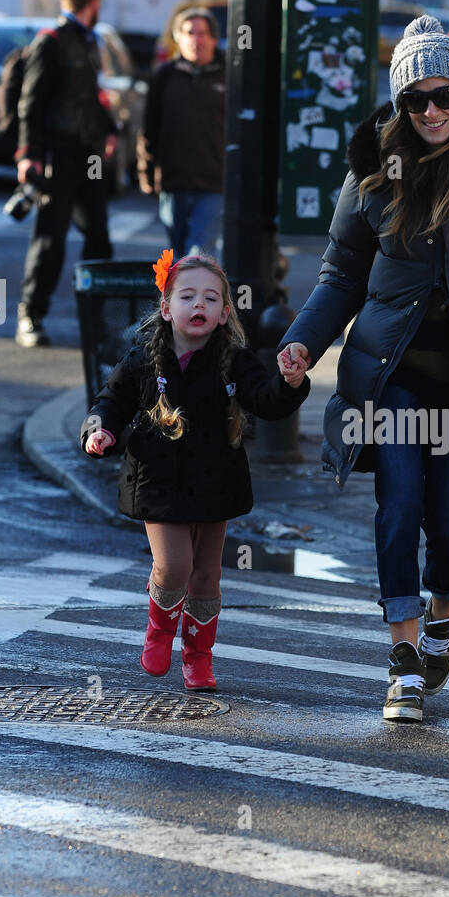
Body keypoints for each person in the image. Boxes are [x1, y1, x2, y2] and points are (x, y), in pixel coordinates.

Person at [276, 14, 449, 724]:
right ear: (399, 105)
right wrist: (304, 341)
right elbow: (340, 274)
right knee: (398, 509)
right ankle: (402, 662)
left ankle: (442, 619)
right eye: (415, 100)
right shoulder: (374, 172)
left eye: (444, 97)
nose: (431, 111)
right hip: (393, 376)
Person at [81, 251, 309, 691]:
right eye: (187, 296)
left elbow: (266, 400)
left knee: (207, 576)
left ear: (225, 312)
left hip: (214, 482)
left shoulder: (234, 361)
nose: (198, 305)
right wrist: (101, 431)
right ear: (167, 308)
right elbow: (109, 402)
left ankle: (198, 657)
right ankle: (159, 631)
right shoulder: (143, 359)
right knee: (174, 565)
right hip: (157, 481)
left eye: (210, 298)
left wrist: (290, 383)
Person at [14, 0, 117, 348]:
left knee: (99, 237)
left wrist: (108, 129)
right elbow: (31, 102)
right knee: (50, 239)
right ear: (94, 1)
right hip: (57, 153)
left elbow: (90, 96)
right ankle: (31, 315)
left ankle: (98, 319)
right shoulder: (51, 41)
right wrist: (29, 155)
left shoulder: (91, 41)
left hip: (88, 154)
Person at [137, 7, 226, 257]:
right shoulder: (165, 77)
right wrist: (146, 172)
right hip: (173, 182)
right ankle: (180, 297)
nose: (196, 40)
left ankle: (201, 296)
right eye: (189, 33)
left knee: (199, 253)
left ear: (213, 39)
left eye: (202, 33)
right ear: (178, 39)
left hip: (214, 183)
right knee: (177, 255)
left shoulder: (229, 75)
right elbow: (149, 128)